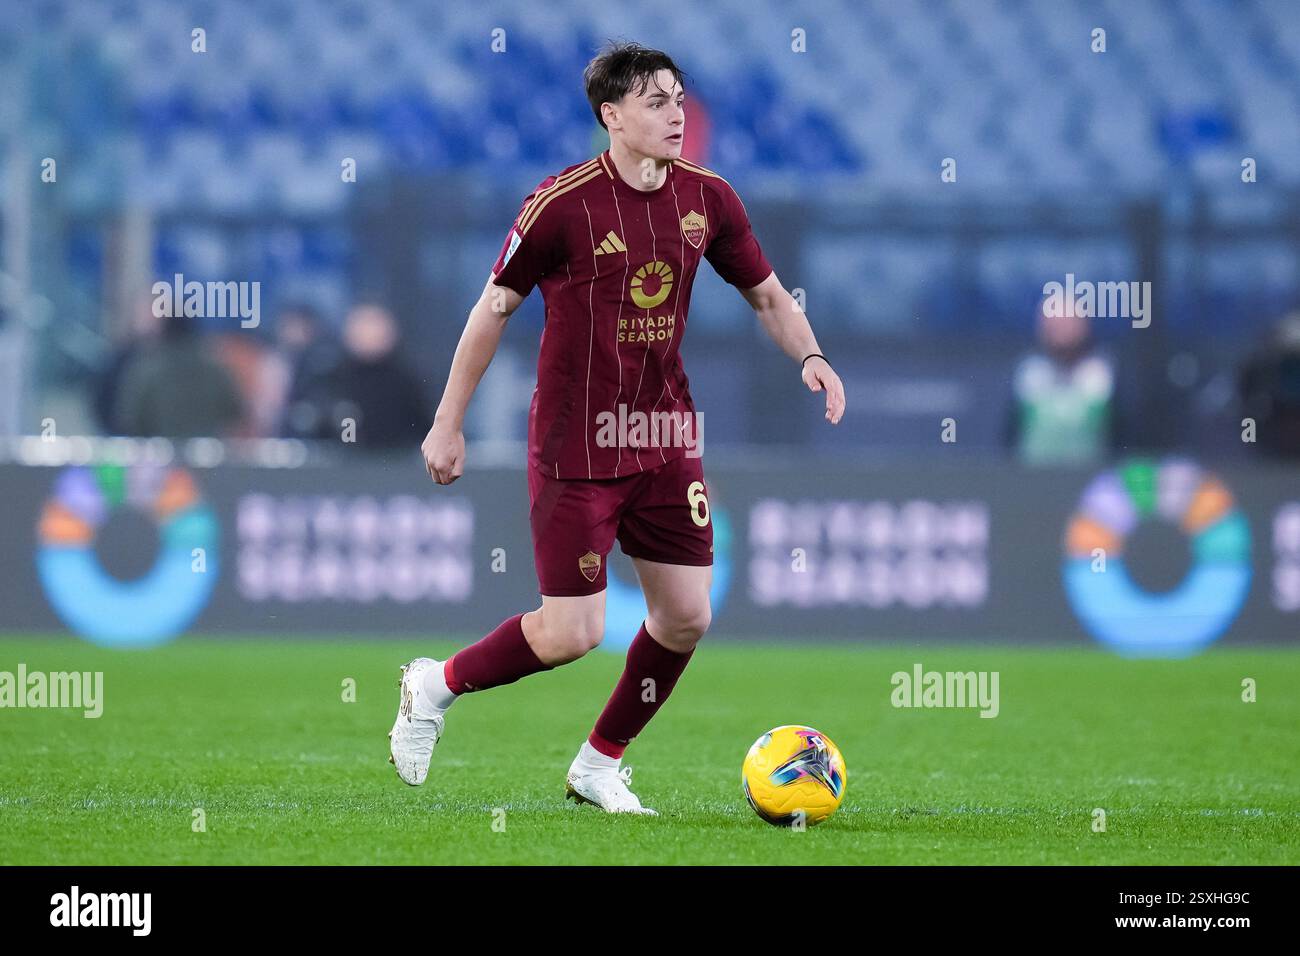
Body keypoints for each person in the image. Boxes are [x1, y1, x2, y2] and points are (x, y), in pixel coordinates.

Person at [389, 42, 846, 814]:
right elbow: (492, 309)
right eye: (656, 102)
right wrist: (447, 423)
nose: (676, 114)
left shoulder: (710, 199)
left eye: (678, 99)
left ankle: (598, 765)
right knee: (571, 632)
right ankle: (434, 684)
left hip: (664, 437)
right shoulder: (560, 205)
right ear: (612, 117)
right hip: (577, 445)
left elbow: (767, 294)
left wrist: (812, 354)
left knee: (687, 615)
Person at [1005, 296, 1120, 466]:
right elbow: (1009, 437)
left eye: (1067, 321)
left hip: (1093, 482)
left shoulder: (1103, 373)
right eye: (1053, 322)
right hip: (1032, 478)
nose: (1060, 329)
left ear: (1083, 324)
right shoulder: (1029, 373)